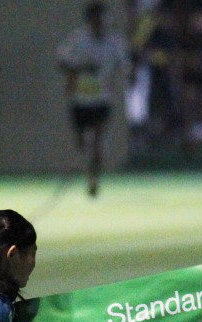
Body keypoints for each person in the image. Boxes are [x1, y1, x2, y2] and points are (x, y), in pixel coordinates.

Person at [56, 1, 130, 196]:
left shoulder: (115, 41)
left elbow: (124, 65)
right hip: (80, 100)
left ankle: (93, 179)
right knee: (81, 142)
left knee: (97, 142)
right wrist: (79, 69)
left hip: (101, 100)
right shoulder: (77, 40)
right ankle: (83, 166)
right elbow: (61, 61)